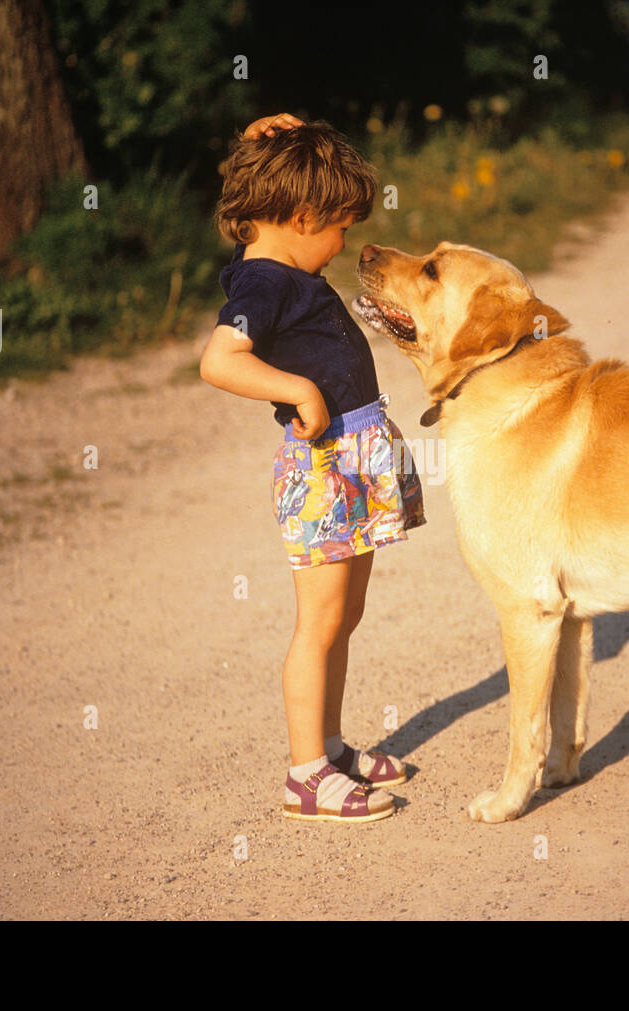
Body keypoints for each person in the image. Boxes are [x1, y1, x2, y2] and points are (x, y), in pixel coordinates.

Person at [200, 113, 427, 822]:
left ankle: (327, 744)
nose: (342, 244)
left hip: (350, 463)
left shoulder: (281, 265)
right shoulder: (263, 285)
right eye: (338, 229)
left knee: (345, 613)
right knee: (319, 623)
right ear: (300, 217)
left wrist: (256, 143)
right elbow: (220, 361)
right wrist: (297, 389)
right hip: (324, 471)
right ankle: (305, 775)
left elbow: (262, 192)